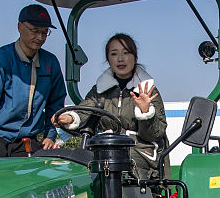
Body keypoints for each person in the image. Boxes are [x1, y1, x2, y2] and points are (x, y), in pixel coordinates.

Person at [52, 33, 168, 180]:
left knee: (120, 164)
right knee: (78, 165)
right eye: (114, 54)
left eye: (126, 53)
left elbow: (155, 134)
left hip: (139, 152)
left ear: (135, 57)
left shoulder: (147, 90)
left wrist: (145, 111)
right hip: (104, 149)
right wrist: (69, 118)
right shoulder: (99, 90)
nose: (120, 58)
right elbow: (85, 110)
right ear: (108, 59)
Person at [0, 4, 66, 159]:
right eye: (35, 30)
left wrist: (50, 135)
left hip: (29, 143)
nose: (40, 37)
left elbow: (56, 104)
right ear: (20, 27)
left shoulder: (50, 62)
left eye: (44, 32)